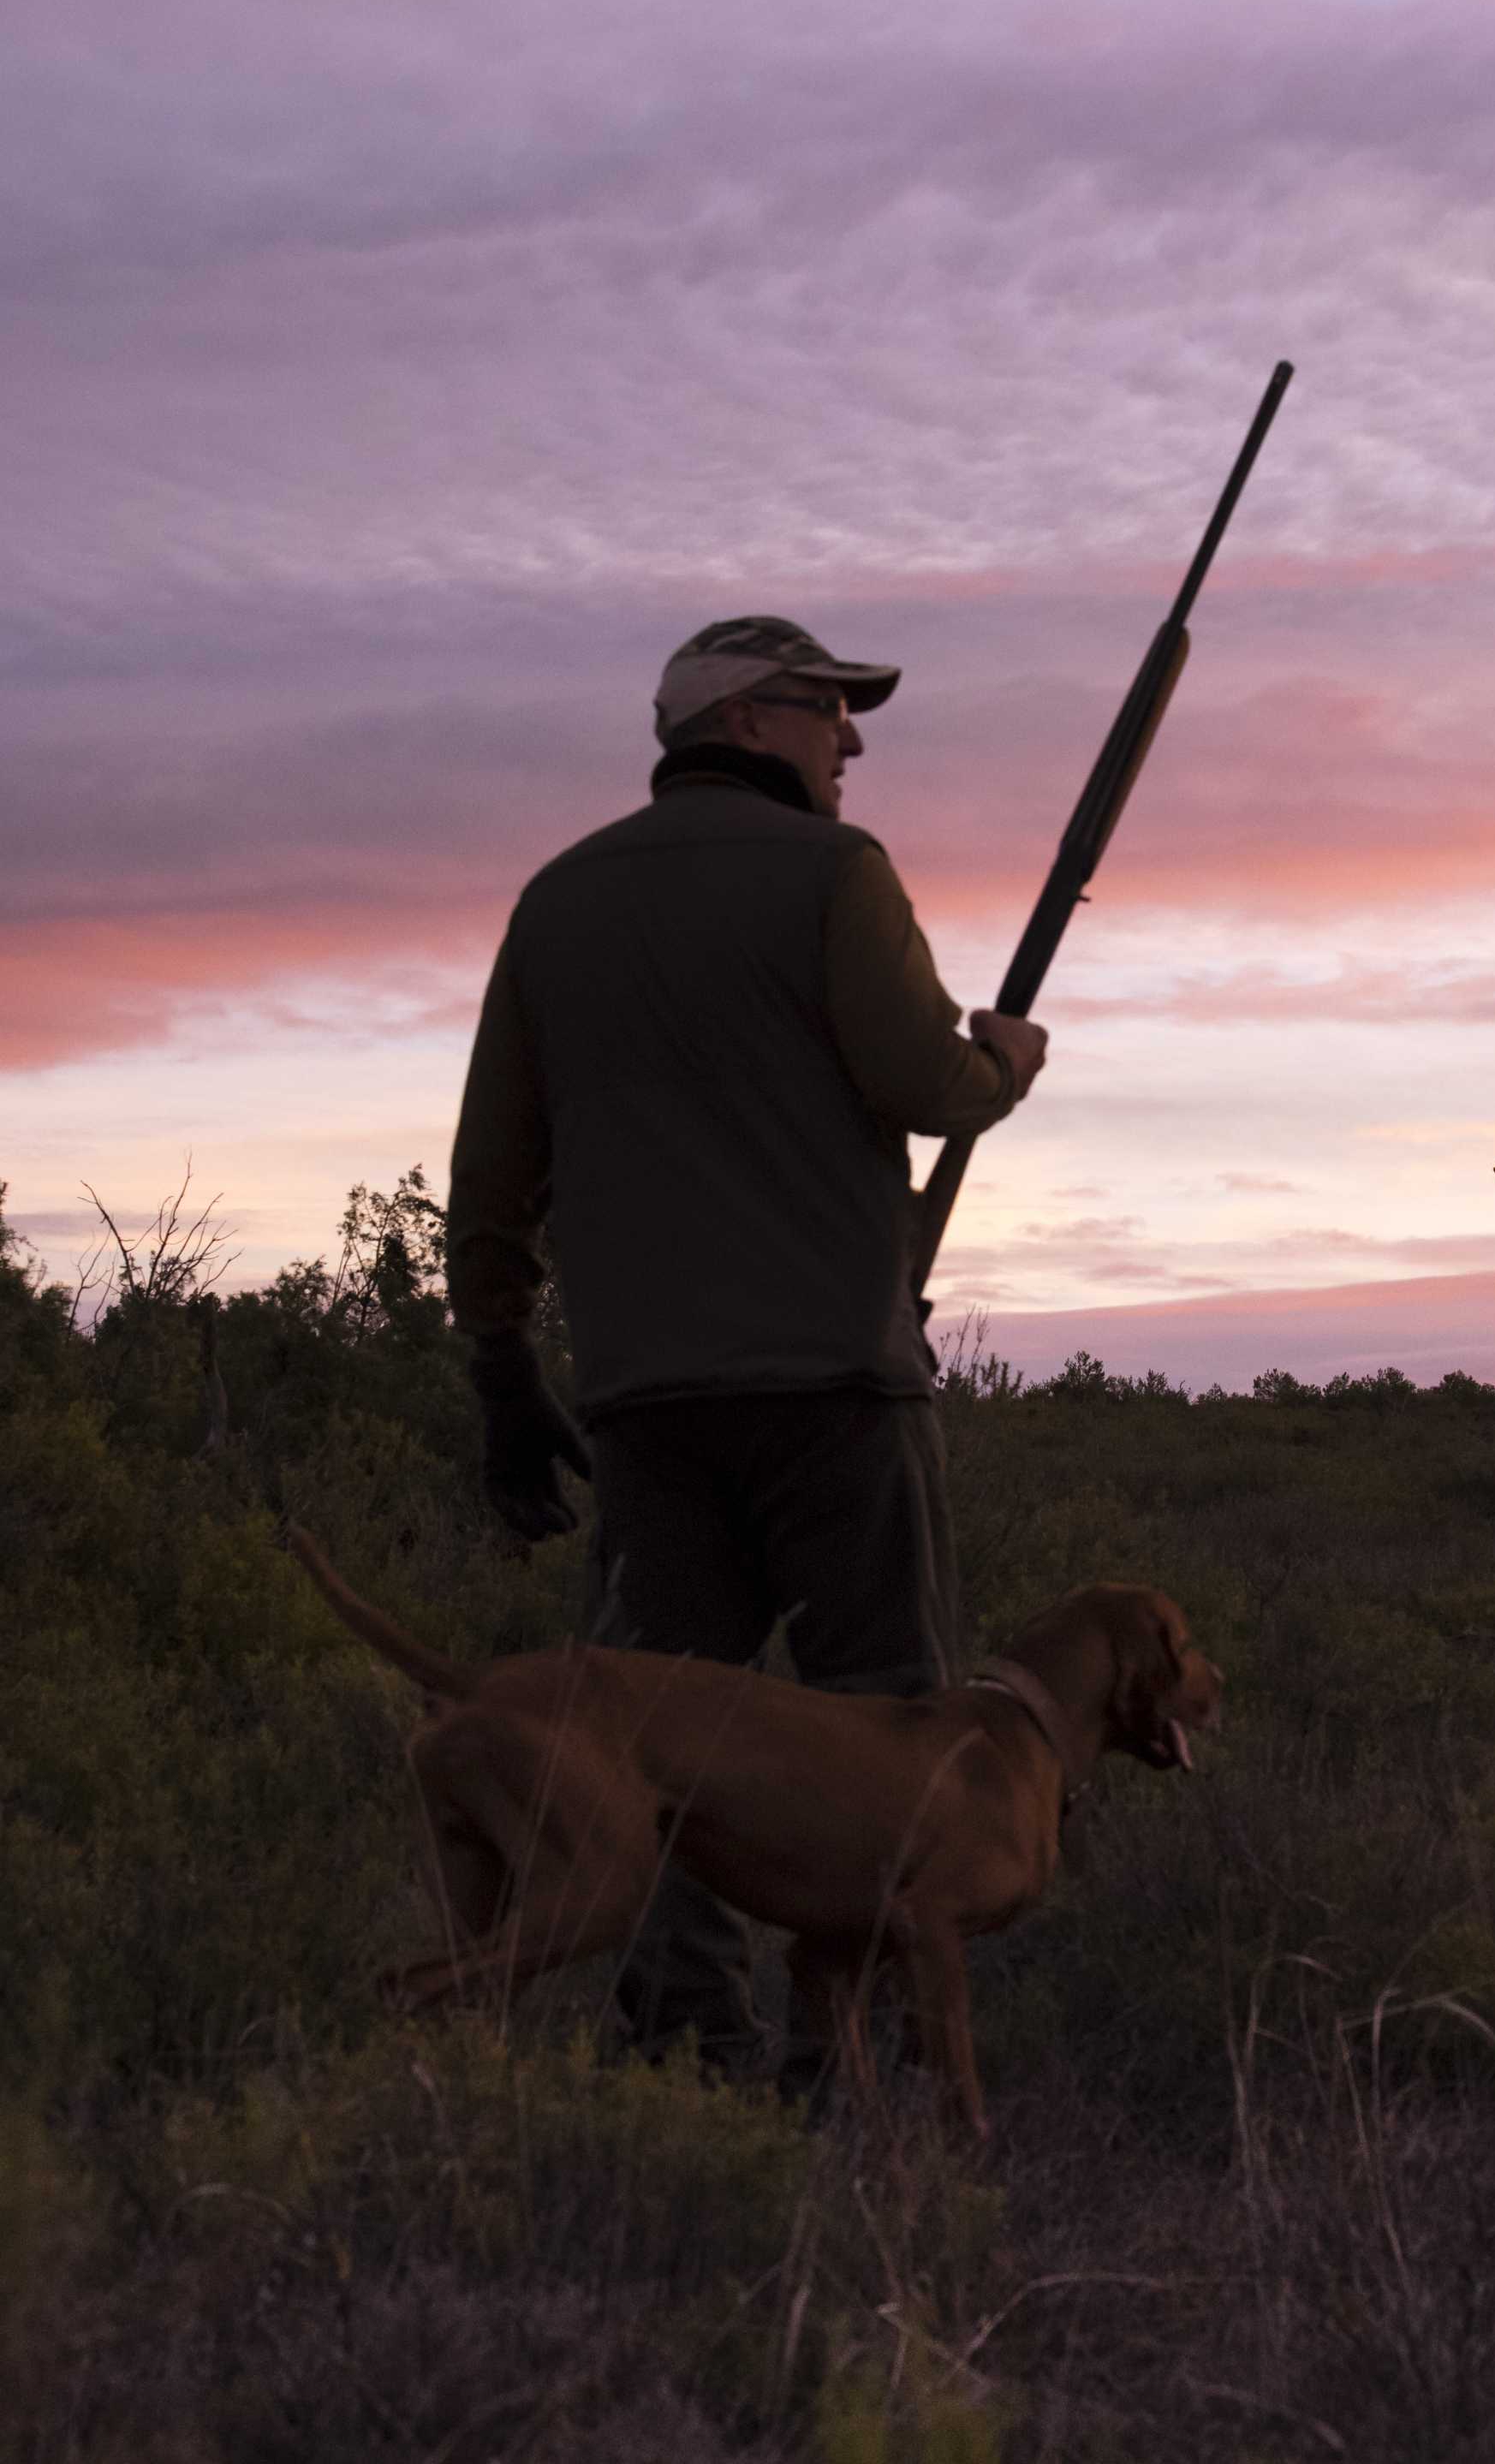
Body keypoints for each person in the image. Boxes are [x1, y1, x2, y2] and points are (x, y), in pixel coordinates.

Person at [444, 614, 1049, 2072]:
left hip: (646, 1405)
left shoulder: (556, 900)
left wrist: (505, 1374)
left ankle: (685, 2056)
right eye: (828, 708)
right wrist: (1004, 1059)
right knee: (887, 1726)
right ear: (747, 720)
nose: (852, 739)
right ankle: (860, 2060)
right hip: (837, 1390)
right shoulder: (836, 872)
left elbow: (491, 1172)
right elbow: (923, 1085)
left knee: (654, 1743)